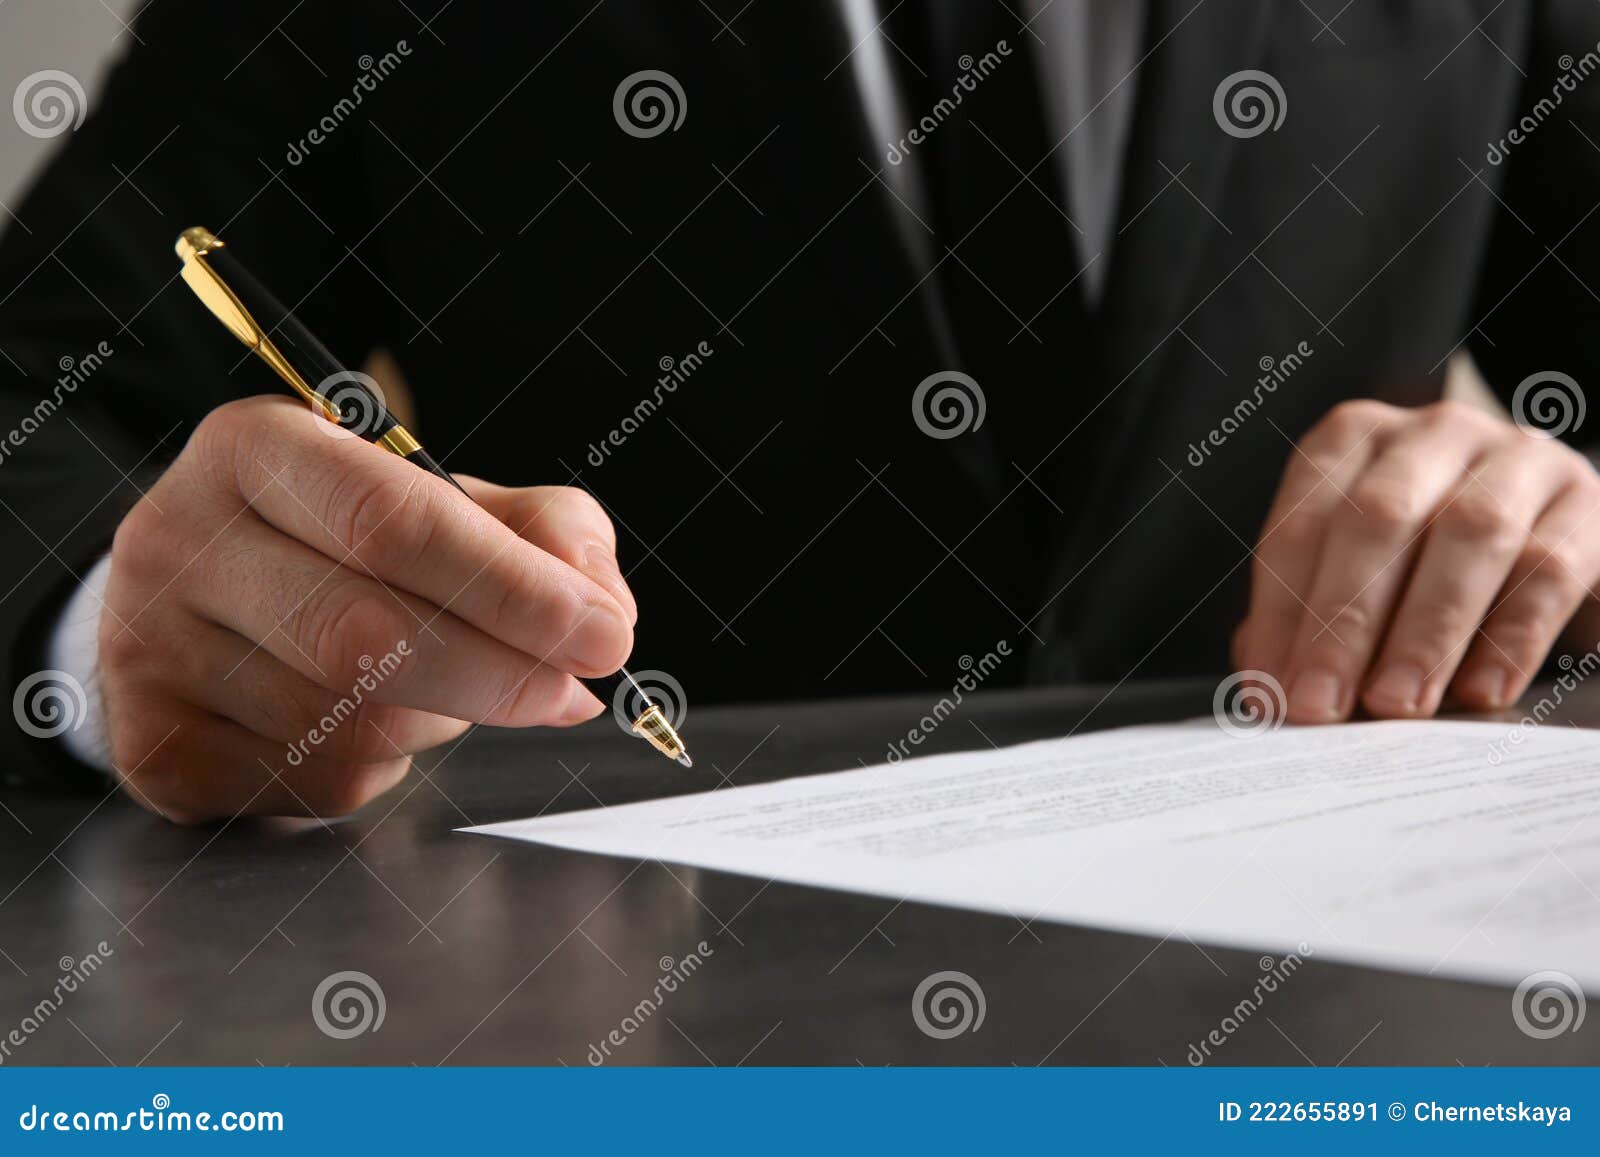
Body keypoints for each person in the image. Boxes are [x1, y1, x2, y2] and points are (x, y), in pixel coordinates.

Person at [3, 0, 1599, 821]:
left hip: (1328, 1026)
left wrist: (1561, 525)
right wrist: (120, 637)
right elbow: (36, 399)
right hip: (635, 1029)